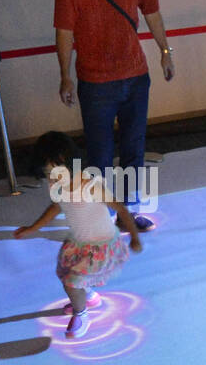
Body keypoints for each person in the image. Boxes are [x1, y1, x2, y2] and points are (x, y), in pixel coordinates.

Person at [54, 0, 173, 233]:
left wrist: (165, 50)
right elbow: (64, 32)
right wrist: (65, 75)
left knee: (135, 149)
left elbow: (153, 13)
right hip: (95, 82)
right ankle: (99, 217)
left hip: (135, 76)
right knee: (100, 156)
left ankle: (128, 212)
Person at [14, 132, 143, 339]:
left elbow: (121, 209)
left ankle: (81, 313)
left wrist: (135, 238)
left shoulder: (90, 186)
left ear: (72, 164)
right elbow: (56, 207)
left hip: (101, 247)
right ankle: (89, 296)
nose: (53, 179)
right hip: (79, 243)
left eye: (56, 172)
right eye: (48, 174)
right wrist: (32, 228)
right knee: (65, 272)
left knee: (70, 282)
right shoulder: (58, 186)